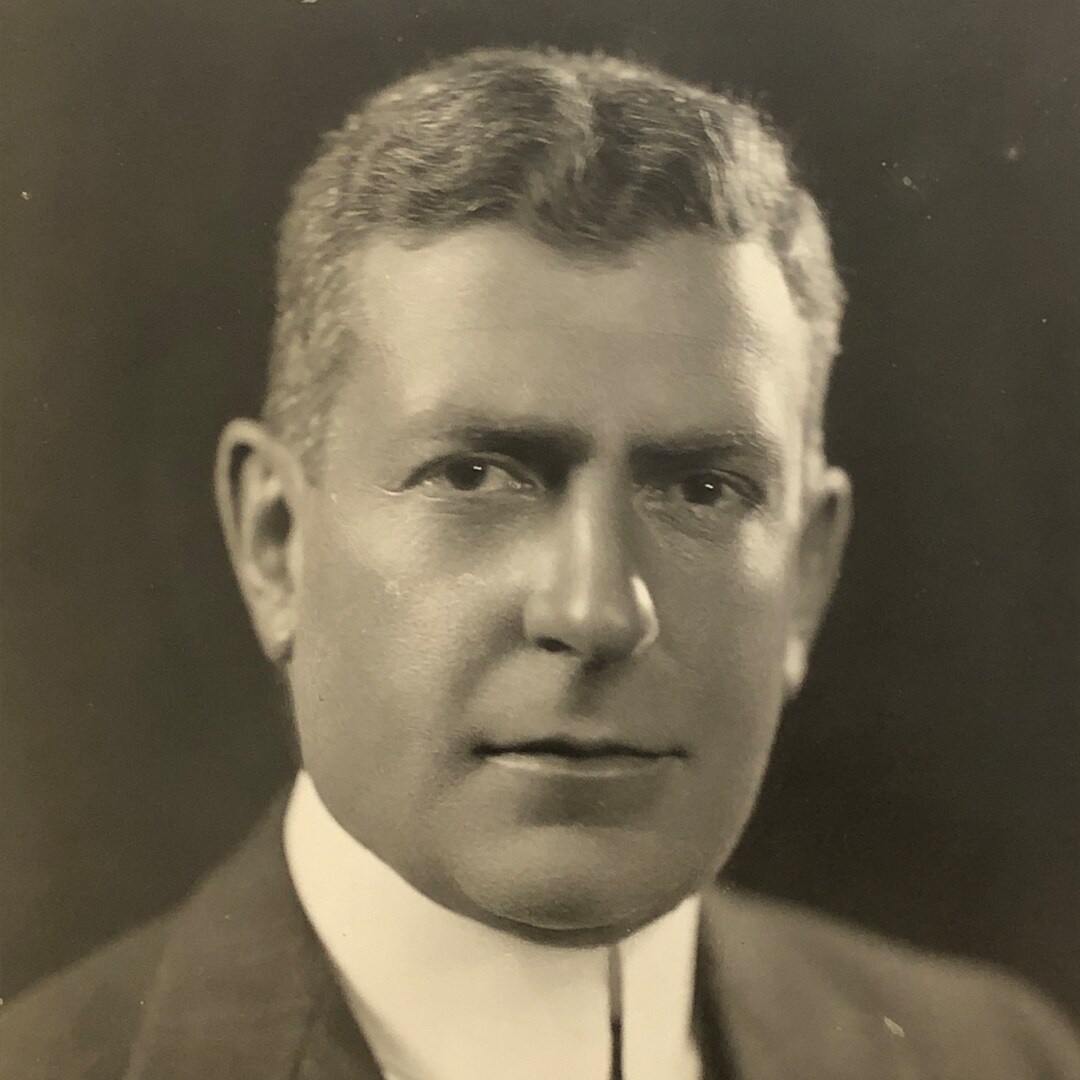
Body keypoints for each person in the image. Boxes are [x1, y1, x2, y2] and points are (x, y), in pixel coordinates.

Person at [3, 46, 1078, 1080]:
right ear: (276, 543)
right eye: (475, 475)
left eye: (704, 490)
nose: (597, 610)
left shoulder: (1002, 1059)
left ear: (805, 573)